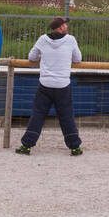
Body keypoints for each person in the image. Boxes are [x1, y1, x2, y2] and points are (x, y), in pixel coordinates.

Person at [16, 16, 83, 156]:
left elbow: (32, 57)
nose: (67, 26)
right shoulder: (70, 40)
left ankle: (26, 146)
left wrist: (44, 57)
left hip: (45, 84)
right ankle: (75, 147)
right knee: (66, 116)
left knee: (38, 115)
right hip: (63, 84)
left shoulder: (42, 39)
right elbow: (78, 59)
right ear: (61, 28)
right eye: (65, 24)